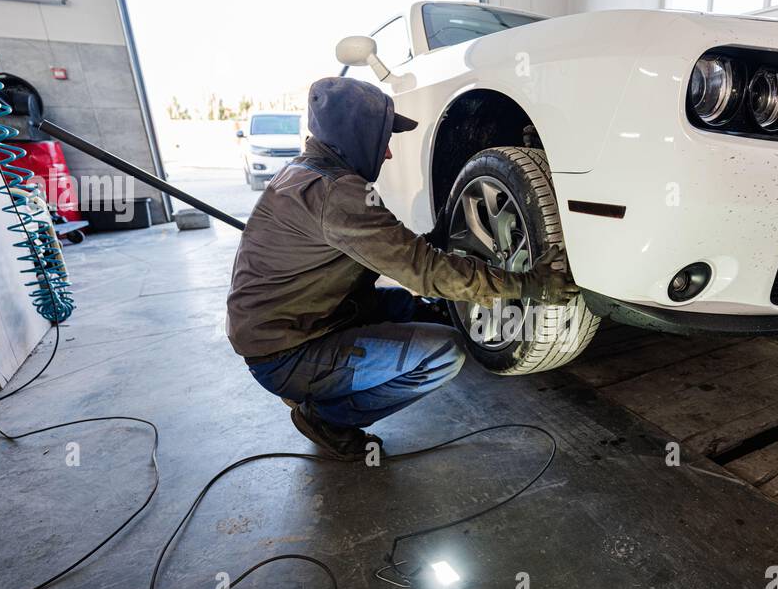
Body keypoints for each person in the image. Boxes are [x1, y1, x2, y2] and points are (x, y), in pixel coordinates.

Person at [226, 76, 575, 460]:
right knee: (445, 353)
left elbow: (397, 251)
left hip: (301, 321)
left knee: (419, 308)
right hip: (286, 351)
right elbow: (422, 270)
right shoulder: (337, 194)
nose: (388, 153)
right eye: (384, 138)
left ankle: (318, 387)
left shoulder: (309, 174)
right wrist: (525, 285)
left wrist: (438, 236)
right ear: (357, 134)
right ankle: (327, 417)